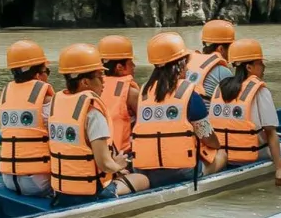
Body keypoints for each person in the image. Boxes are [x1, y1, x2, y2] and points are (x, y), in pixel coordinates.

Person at [47, 44, 149, 206]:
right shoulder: (93, 113)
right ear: (85, 82)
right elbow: (104, 164)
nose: (103, 81)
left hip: (61, 192)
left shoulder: (56, 105)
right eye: (100, 76)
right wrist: (119, 166)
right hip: (92, 193)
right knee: (142, 179)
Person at [131, 32, 228, 188]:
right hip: (182, 171)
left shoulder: (144, 93)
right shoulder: (189, 95)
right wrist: (217, 146)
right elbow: (207, 137)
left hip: (146, 171)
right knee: (222, 154)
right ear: (181, 65)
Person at [211, 39, 281, 186]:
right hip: (252, 155)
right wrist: (280, 168)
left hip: (223, 155)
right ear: (249, 67)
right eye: (260, 63)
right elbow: (271, 132)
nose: (264, 67)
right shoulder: (260, 91)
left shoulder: (220, 87)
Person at [0, 40, 55, 197]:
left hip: (8, 179)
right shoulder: (47, 101)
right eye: (47, 71)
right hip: (38, 183)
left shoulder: (6, 94)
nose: (47, 75)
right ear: (38, 75)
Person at [96, 35, 140, 155]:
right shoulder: (131, 93)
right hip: (123, 155)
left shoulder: (92, 89)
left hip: (99, 155)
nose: (134, 66)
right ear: (119, 67)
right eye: (131, 63)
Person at [186, 19, 236, 102]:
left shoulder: (189, 63)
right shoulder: (223, 72)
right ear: (221, 49)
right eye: (230, 48)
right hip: (205, 110)